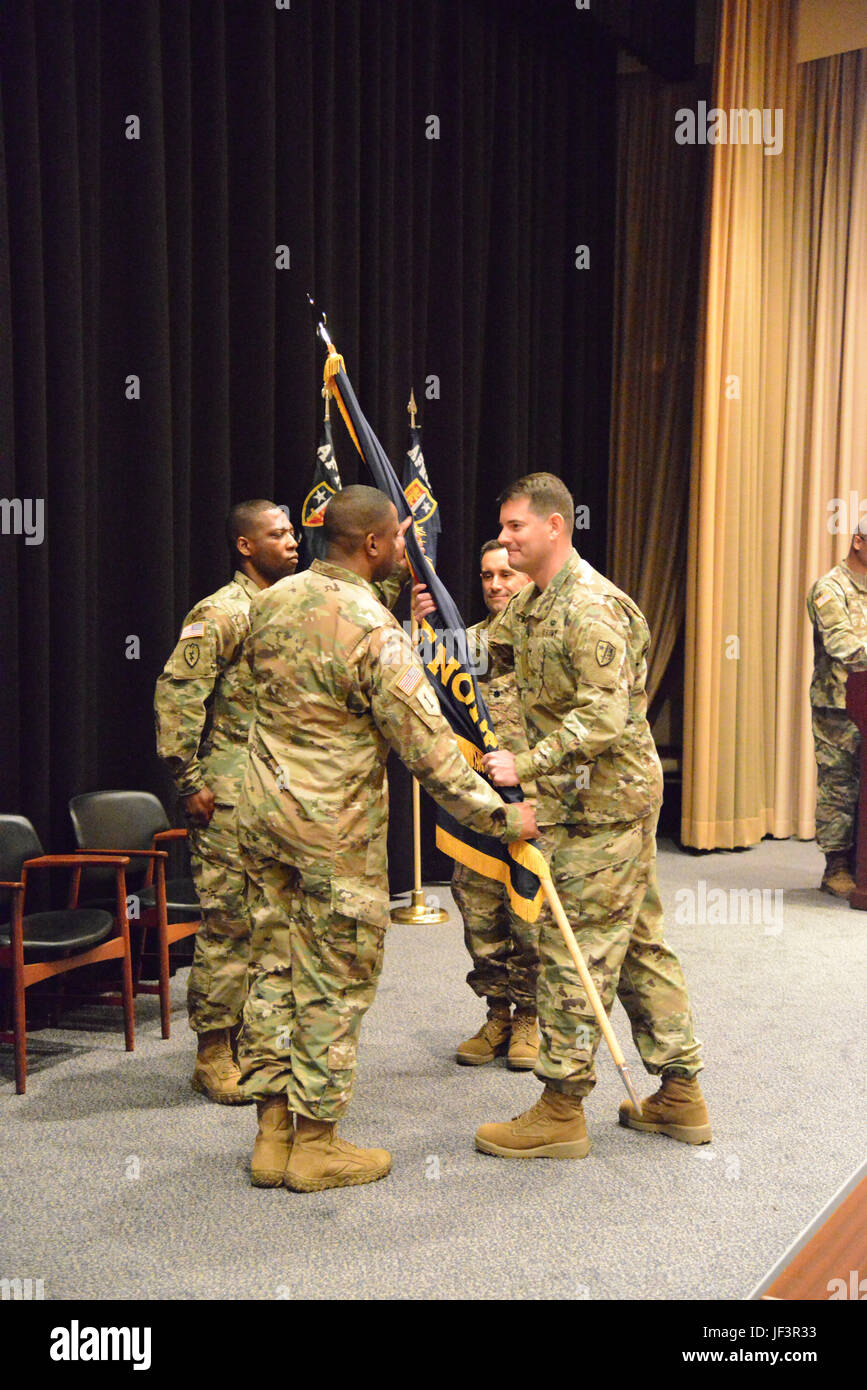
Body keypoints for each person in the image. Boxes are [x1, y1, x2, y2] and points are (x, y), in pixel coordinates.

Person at [235, 485, 538, 1192]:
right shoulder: (373, 630)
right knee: (334, 981)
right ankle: (315, 1144)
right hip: (333, 833)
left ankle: (271, 1132)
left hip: (262, 820)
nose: (407, 549)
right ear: (371, 544)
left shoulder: (271, 601)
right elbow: (430, 752)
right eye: (397, 540)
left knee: (273, 971)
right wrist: (502, 818)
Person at [415, 472, 709, 1160]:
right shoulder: (536, 603)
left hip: (604, 805)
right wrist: (428, 635)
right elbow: (483, 653)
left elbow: (605, 715)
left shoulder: (590, 606)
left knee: (570, 950)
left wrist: (530, 762)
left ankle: (560, 1106)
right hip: (591, 801)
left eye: (517, 526)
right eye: (504, 526)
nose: (507, 537)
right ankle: (679, 1092)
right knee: (637, 945)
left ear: (554, 526)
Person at [154, 501, 298, 1103]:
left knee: (274, 923)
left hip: (280, 794)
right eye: (277, 534)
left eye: (292, 532)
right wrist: (190, 782)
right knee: (227, 922)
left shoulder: (291, 608)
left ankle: (256, 1040)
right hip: (230, 795)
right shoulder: (219, 612)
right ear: (245, 546)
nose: (292, 542)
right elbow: (178, 697)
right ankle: (213, 1049)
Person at [453, 540, 541, 1070]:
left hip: (533, 802)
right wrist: (423, 630)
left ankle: (530, 1014)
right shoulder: (463, 646)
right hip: (479, 805)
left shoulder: (546, 641)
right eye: (486, 576)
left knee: (529, 913)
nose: (495, 585)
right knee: (479, 911)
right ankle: (497, 1013)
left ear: (527, 578)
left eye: (506, 574)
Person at [806, 527, 867, 896]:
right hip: (838, 706)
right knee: (840, 785)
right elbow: (841, 643)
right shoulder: (829, 588)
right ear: (858, 542)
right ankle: (836, 867)